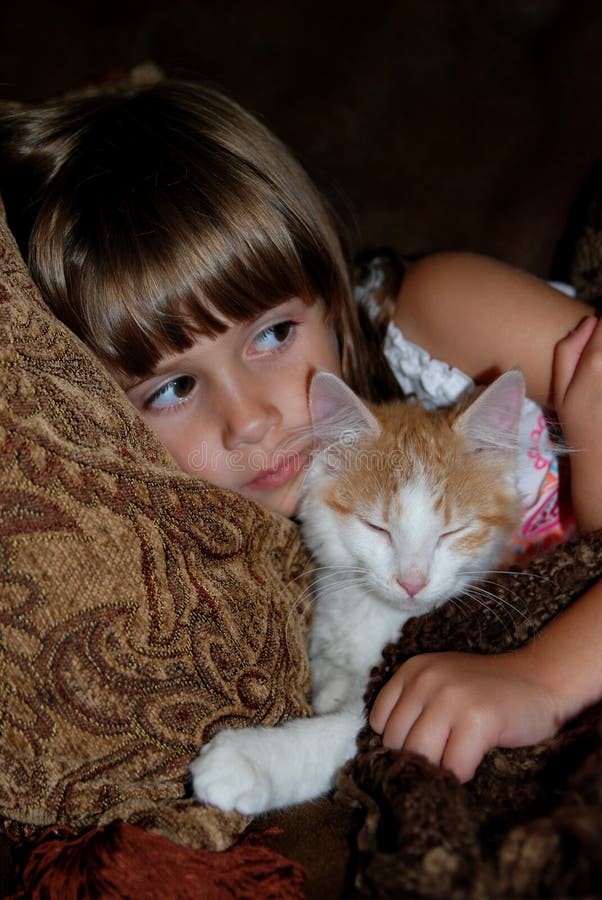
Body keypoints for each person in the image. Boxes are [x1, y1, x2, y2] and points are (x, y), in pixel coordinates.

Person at [1, 77, 600, 784]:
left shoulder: (438, 316)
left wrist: (544, 677)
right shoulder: (253, 547)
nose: (251, 418)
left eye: (274, 333)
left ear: (327, 288)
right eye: (173, 387)